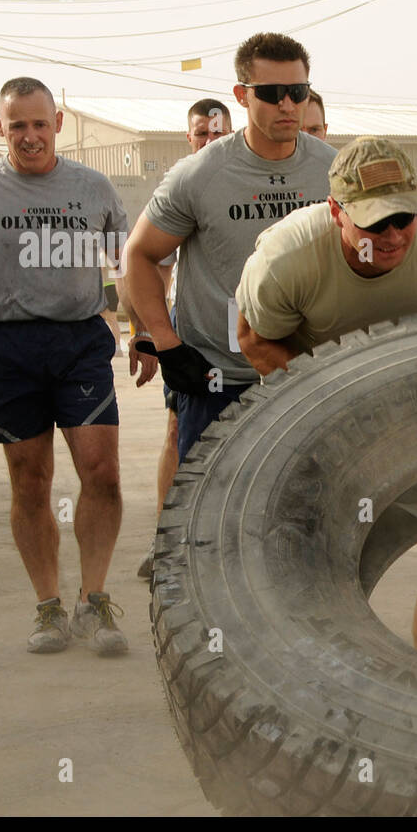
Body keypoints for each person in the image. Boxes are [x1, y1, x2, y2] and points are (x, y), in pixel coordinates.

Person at [234, 136, 417, 661]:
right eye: (375, 223)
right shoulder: (287, 259)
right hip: (314, 408)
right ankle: (320, 675)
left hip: (411, 406)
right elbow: (254, 338)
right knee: (314, 565)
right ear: (336, 212)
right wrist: (336, 402)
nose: (393, 236)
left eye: (403, 218)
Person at [0, 76, 142, 655]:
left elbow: (127, 265)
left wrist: (143, 331)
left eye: (41, 124)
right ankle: (48, 608)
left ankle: (94, 604)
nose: (31, 136)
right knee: (31, 482)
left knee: (103, 474)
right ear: (0, 128)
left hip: (81, 342)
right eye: (18, 125)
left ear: (58, 124)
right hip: (9, 348)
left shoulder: (93, 187)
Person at [121, 32, 337, 472]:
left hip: (307, 376)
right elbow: (139, 255)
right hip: (218, 381)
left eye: (297, 93)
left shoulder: (332, 171)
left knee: (306, 520)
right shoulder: (200, 174)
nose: (288, 105)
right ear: (241, 95)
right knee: (208, 522)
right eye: (273, 93)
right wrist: (165, 341)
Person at [134, 97, 233, 580]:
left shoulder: (242, 179)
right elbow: (150, 264)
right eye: (202, 134)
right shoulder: (185, 186)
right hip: (191, 335)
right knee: (180, 433)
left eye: (219, 134)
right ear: (188, 138)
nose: (211, 142)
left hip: (255, 337)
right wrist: (154, 336)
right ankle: (168, 540)